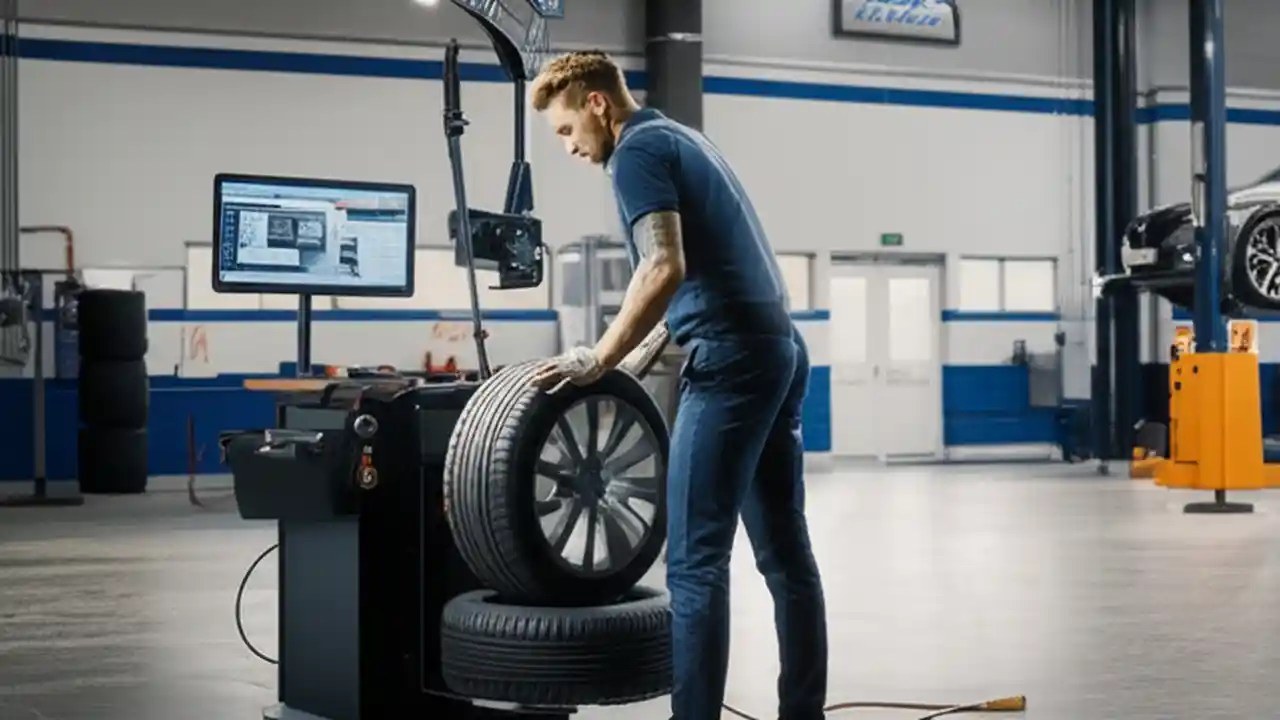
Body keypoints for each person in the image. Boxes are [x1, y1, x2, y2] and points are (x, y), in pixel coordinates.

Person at [527, 51, 829, 720]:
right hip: (778, 345)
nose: (569, 147)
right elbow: (704, 274)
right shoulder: (686, 138)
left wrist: (598, 359)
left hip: (732, 361)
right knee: (786, 559)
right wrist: (640, 352)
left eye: (566, 130)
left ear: (598, 103)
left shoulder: (635, 153)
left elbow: (663, 266)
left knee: (695, 565)